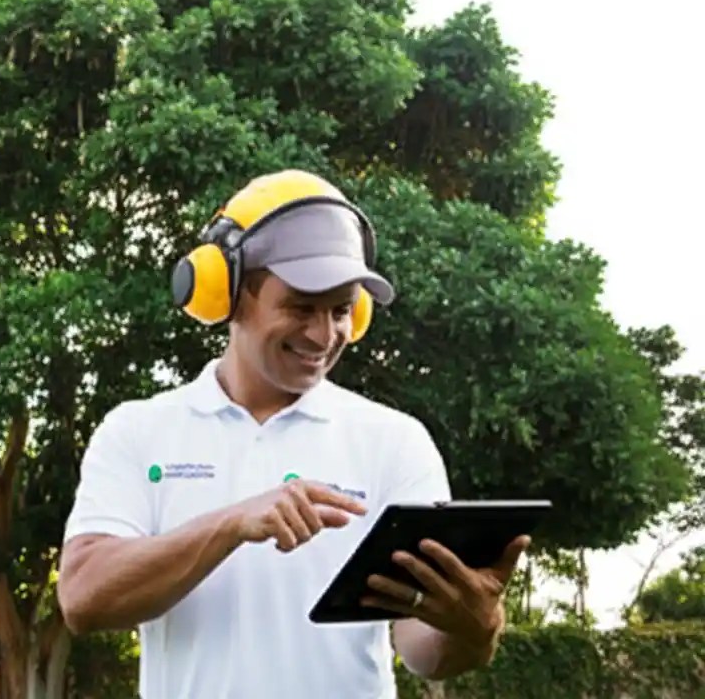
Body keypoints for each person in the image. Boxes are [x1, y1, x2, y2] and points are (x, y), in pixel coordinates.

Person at [57, 169, 530, 698]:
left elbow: (419, 649)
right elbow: (83, 596)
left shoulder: (394, 442)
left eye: (341, 310)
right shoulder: (139, 430)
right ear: (227, 292)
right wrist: (234, 522)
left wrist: (473, 628)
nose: (323, 335)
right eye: (301, 307)